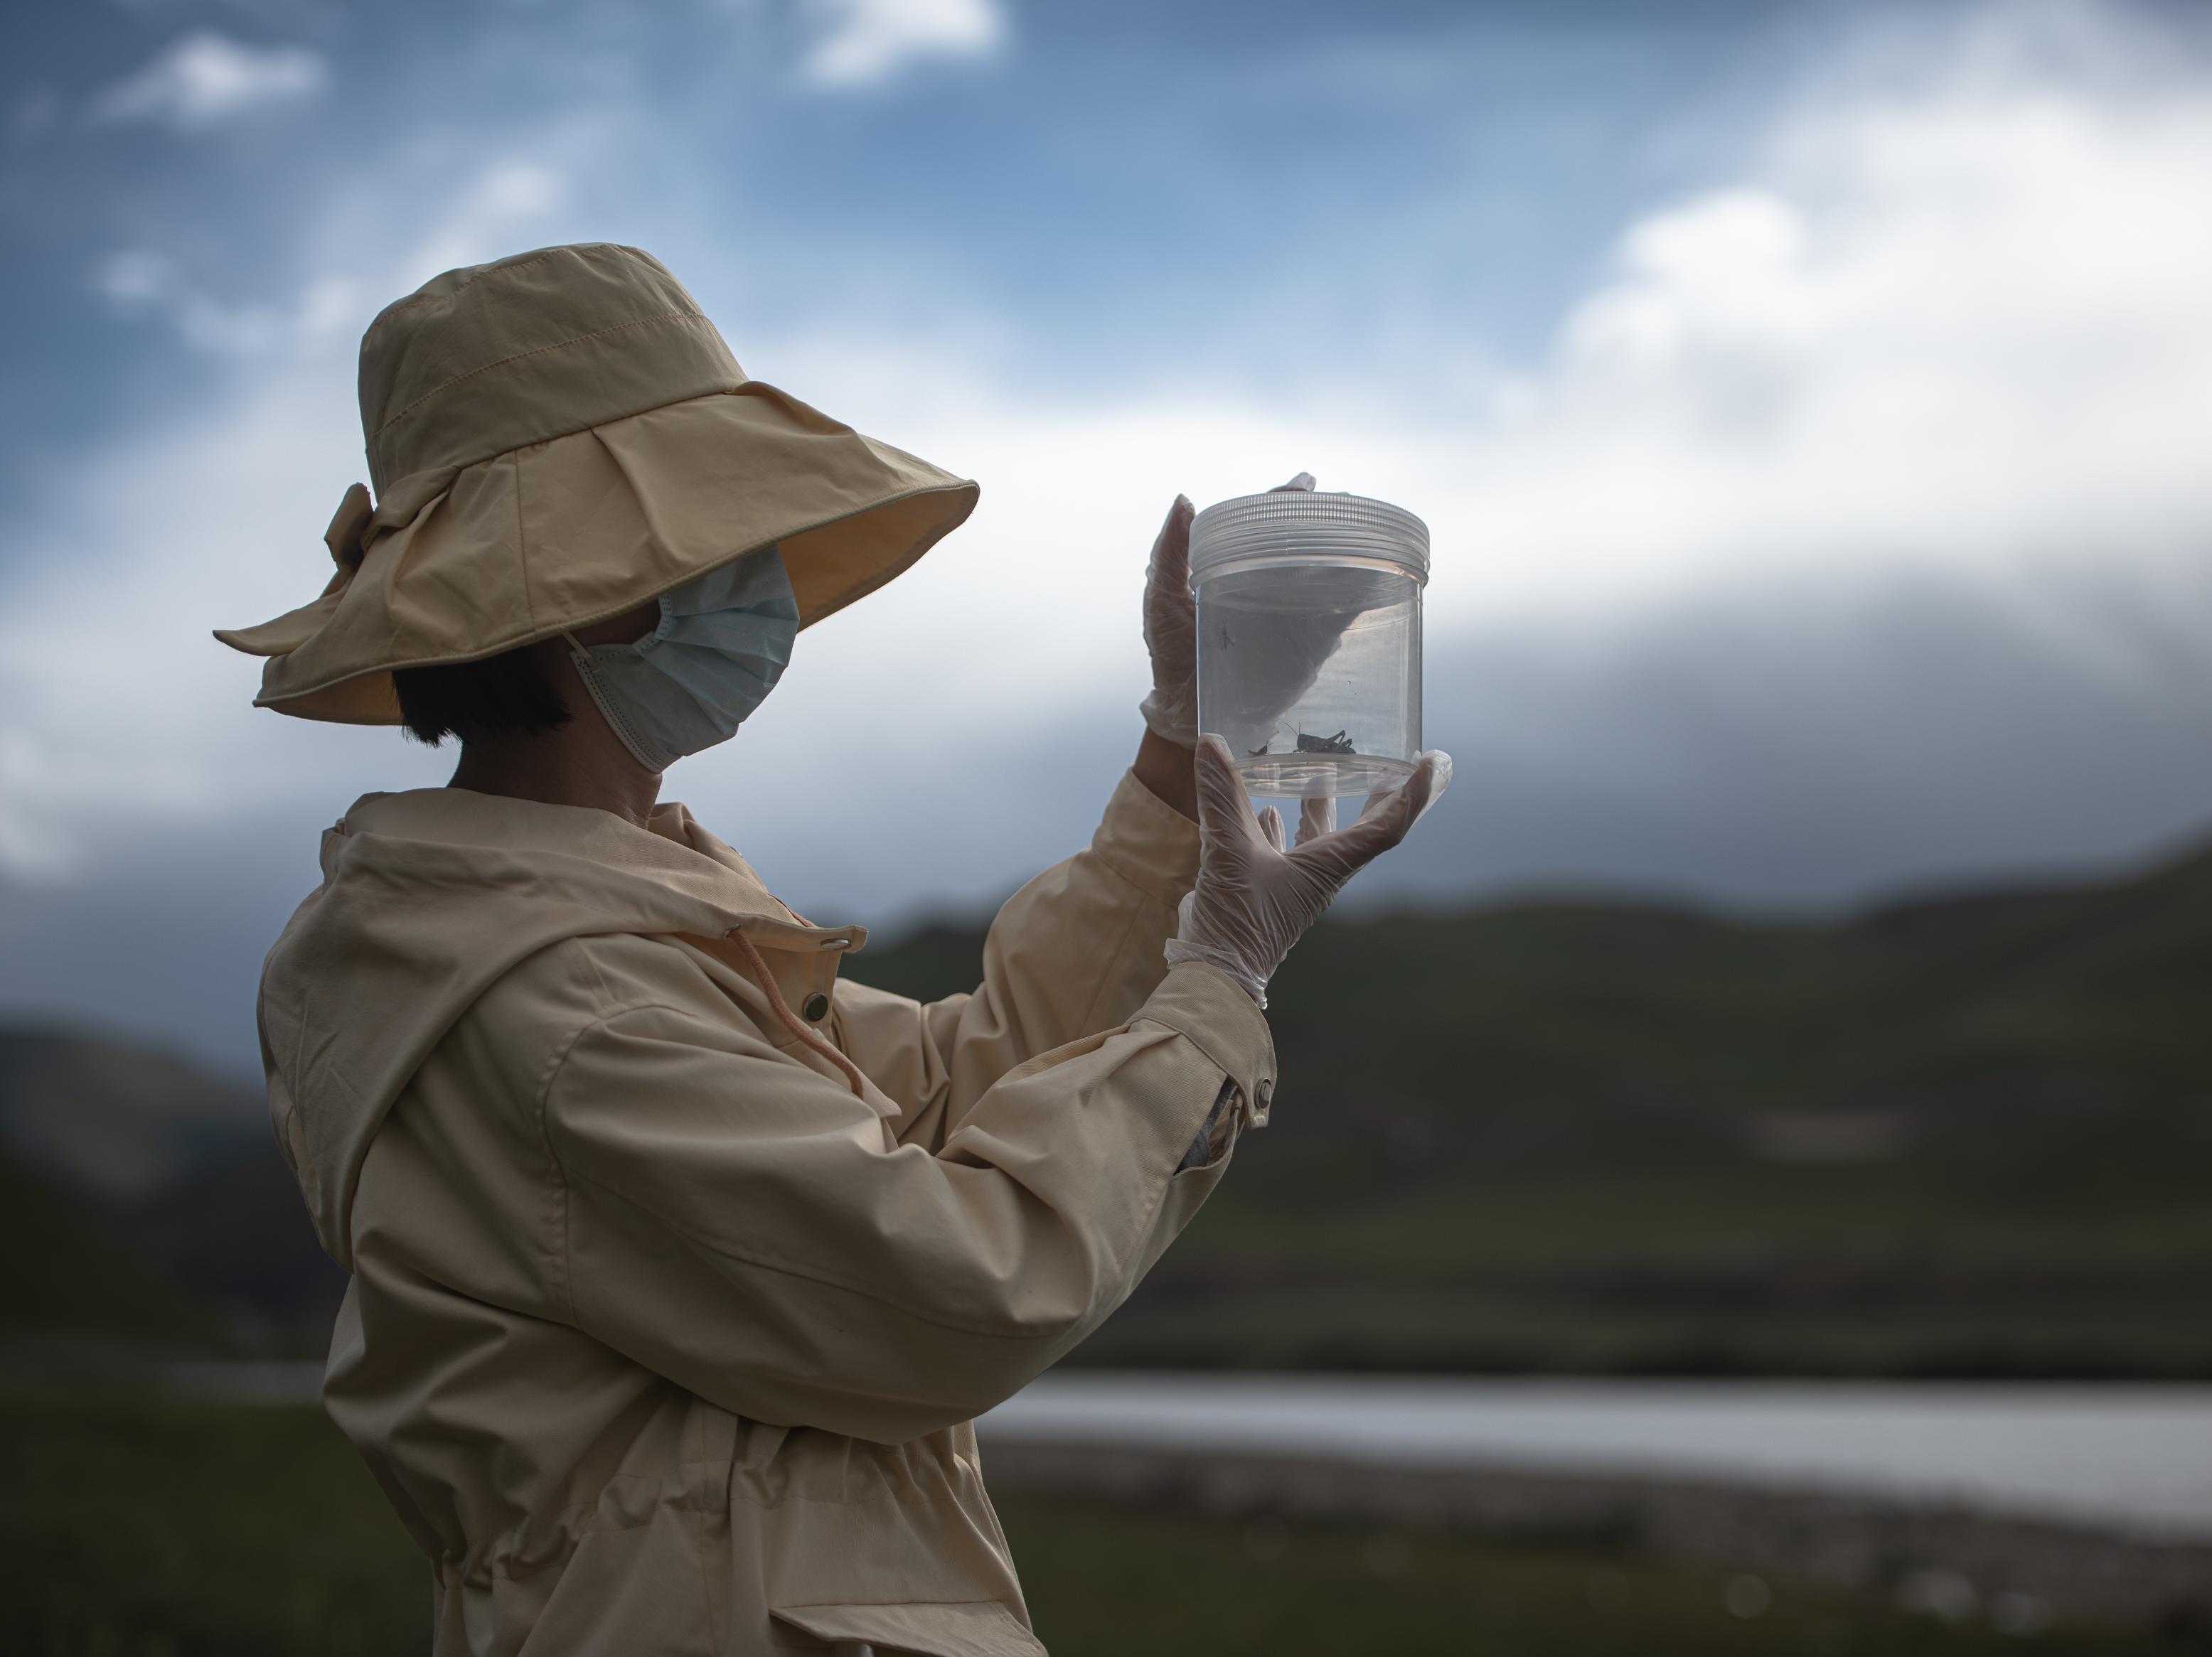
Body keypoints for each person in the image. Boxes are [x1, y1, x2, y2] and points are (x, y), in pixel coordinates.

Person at [217, 242, 1450, 1657]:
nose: (768, 584)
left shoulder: (595, 928)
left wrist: (1176, 773)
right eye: (723, 537)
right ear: (587, 591)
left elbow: (947, 1085)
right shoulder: (556, 998)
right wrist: (1219, 979)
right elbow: (950, 1286)